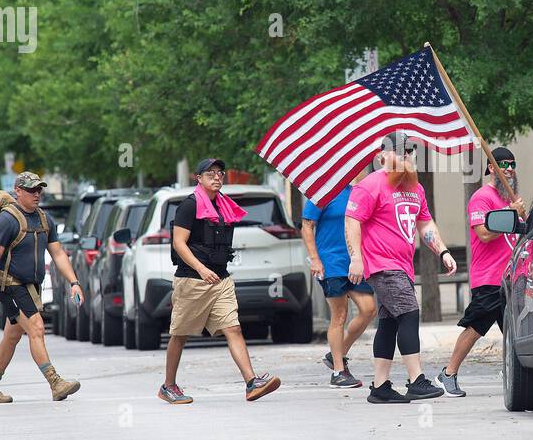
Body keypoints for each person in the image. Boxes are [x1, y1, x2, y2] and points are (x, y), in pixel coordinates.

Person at [161, 157, 281, 404]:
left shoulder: (223, 206)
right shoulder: (189, 205)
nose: (217, 177)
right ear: (199, 178)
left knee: (233, 328)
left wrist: (212, 270)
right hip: (193, 280)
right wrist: (201, 269)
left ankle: (251, 382)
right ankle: (168, 386)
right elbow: (179, 243)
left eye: (220, 173)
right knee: (180, 334)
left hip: (220, 279)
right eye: (210, 173)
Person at [346, 132, 453, 403]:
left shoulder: (414, 187)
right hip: (383, 265)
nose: (405, 156)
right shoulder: (370, 185)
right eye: (398, 151)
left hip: (402, 266)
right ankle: (416, 380)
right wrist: (356, 257)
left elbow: (425, 224)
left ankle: (380, 387)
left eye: (409, 151)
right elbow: (352, 221)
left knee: (389, 321)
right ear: (383, 155)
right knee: (409, 312)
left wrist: (442, 250)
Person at [0, 172, 83, 403]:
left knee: (12, 336)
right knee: (36, 328)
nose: (36, 194)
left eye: (39, 190)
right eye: (31, 190)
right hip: (10, 286)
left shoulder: (45, 220)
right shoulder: (7, 220)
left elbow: (57, 253)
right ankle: (55, 382)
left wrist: (74, 283)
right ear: (18, 191)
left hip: (32, 286)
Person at [437, 147, 525, 396]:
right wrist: (512, 213)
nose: (508, 169)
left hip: (509, 277)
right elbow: (484, 234)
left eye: (512, 164)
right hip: (489, 278)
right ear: (490, 168)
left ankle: (518, 375)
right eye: (502, 164)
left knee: (514, 330)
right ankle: (448, 373)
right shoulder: (481, 197)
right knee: (475, 327)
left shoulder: (510, 199)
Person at [301, 180, 375, 389]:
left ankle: (337, 354)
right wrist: (314, 258)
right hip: (330, 261)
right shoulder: (320, 192)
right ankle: (338, 371)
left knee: (369, 310)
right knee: (340, 314)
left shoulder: (357, 192)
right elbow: (307, 225)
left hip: (354, 261)